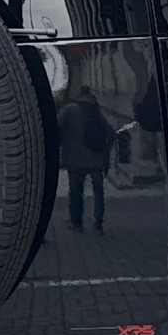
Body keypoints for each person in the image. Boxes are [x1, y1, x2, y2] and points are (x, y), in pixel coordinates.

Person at [57, 84, 115, 231]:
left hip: (75, 160)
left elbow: (56, 129)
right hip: (96, 159)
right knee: (98, 192)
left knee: (76, 191)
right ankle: (98, 222)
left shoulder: (69, 110)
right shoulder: (96, 111)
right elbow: (111, 134)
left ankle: (76, 223)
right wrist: (104, 150)